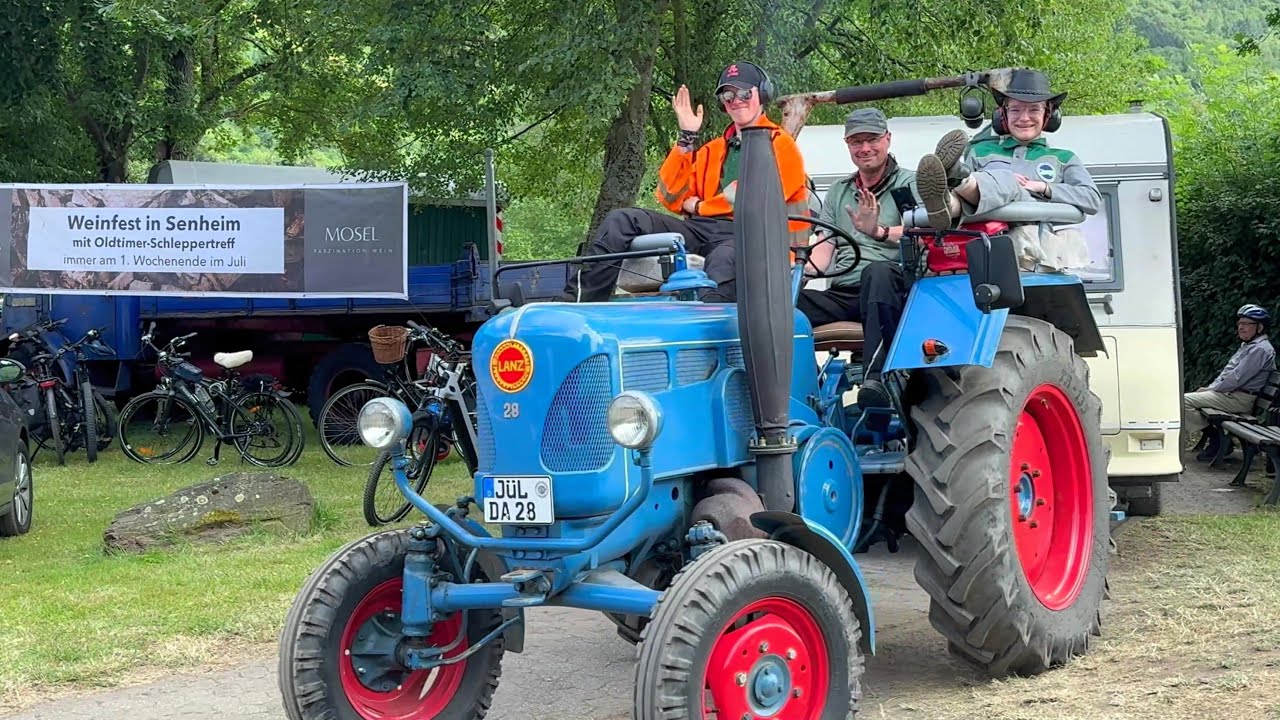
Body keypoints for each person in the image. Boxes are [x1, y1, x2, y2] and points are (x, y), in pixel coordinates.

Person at [559, 61, 812, 303]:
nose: (737, 101)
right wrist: (686, 137)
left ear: (763, 95)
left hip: (755, 235)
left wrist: (699, 207)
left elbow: (753, 197)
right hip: (702, 230)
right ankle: (578, 301)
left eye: (745, 93)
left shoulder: (781, 145)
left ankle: (707, 332)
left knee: (724, 258)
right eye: (728, 96)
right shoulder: (713, 150)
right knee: (621, 220)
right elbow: (670, 196)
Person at [797, 108, 966, 408]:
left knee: (877, 273)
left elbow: (928, 233)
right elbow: (823, 251)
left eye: (872, 139)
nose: (865, 148)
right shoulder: (838, 191)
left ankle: (878, 381)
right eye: (856, 141)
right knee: (783, 303)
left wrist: (878, 231)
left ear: (887, 139)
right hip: (847, 293)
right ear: (847, 144)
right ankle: (800, 394)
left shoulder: (913, 183)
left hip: (897, 289)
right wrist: (795, 272)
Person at [912, 68, 1103, 233]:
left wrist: (1044, 188)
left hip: (1037, 251)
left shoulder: (1064, 158)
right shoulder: (980, 151)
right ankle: (947, 199)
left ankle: (958, 181)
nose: (1024, 118)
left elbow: (1092, 199)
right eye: (1015, 110)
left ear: (1048, 115)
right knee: (969, 195)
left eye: (1034, 110)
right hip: (985, 246)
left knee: (1009, 183)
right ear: (1002, 115)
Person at [1187, 304, 1276, 461]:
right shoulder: (1249, 346)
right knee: (1185, 400)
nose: (1241, 327)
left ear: (1260, 327)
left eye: (1246, 324)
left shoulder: (1261, 350)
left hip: (1238, 399)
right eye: (1240, 323)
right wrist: (1210, 388)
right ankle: (1218, 439)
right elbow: (1227, 373)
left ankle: (1218, 440)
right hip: (1231, 395)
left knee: (1181, 401)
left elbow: (1236, 378)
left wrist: (1212, 389)